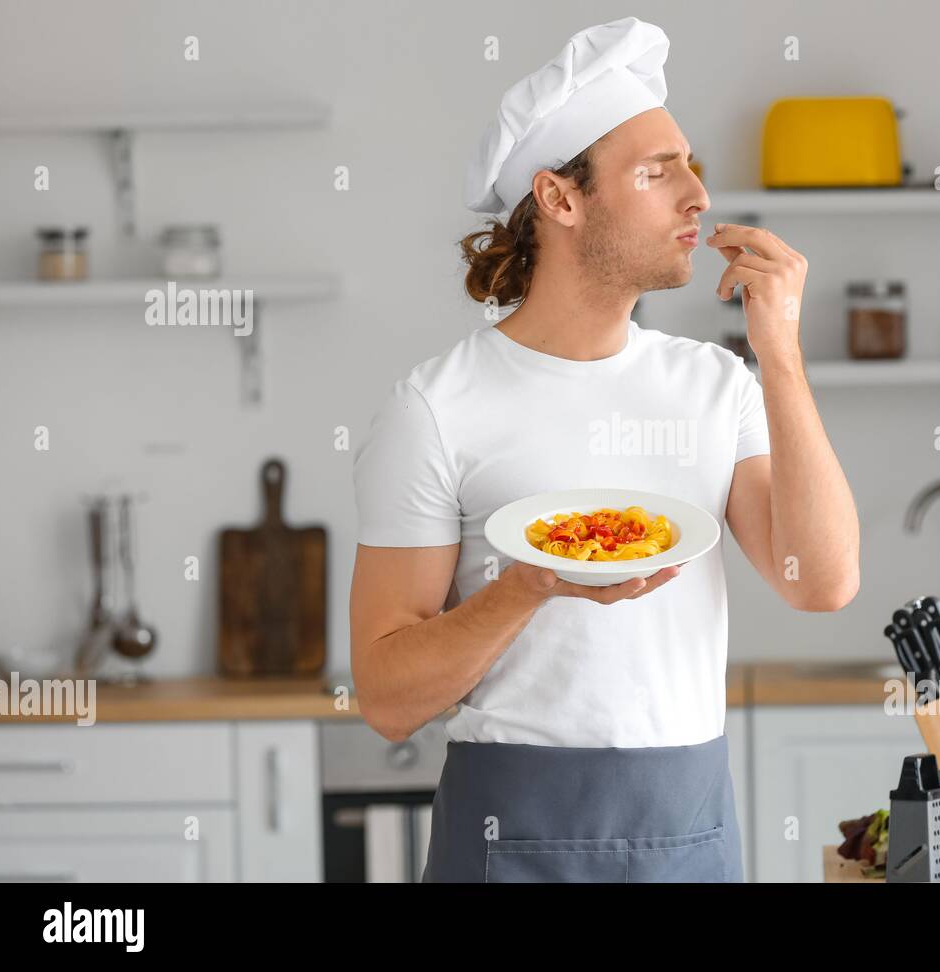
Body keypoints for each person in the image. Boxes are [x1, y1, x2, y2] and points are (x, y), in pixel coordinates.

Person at [350, 16, 859, 882]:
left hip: (688, 831)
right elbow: (388, 700)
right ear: (560, 199)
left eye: (690, 166)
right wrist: (527, 586)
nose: (698, 197)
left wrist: (780, 352)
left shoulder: (716, 385)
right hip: (506, 835)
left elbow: (824, 582)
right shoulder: (436, 407)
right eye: (659, 174)